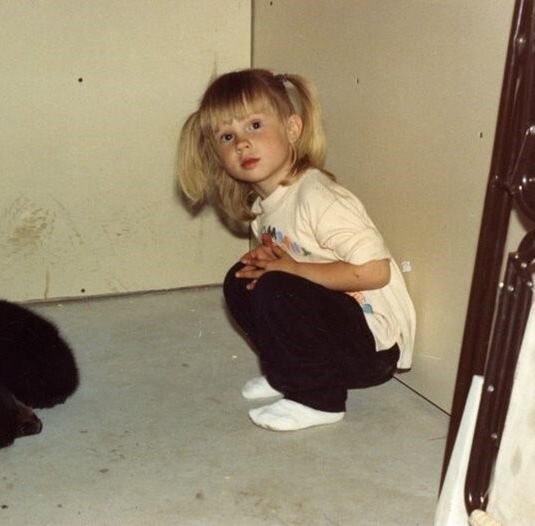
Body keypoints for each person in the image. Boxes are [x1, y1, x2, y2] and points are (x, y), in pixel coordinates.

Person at [175, 69, 415, 431]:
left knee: (277, 286)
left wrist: (291, 271)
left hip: (374, 347)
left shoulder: (318, 197)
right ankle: (287, 373)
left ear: (292, 129)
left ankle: (318, 399)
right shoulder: (263, 207)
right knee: (241, 280)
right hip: (334, 336)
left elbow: (375, 271)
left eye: (254, 125)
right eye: (227, 136)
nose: (241, 143)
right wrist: (274, 265)